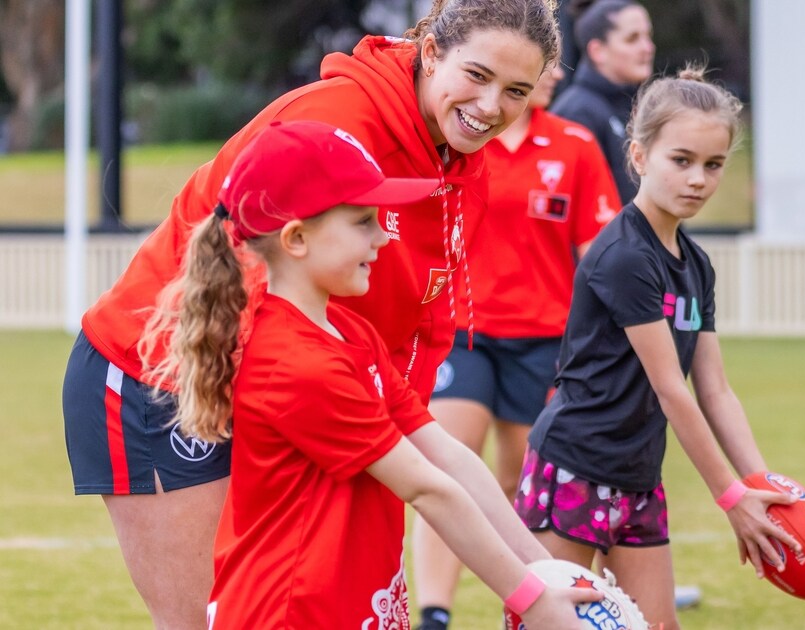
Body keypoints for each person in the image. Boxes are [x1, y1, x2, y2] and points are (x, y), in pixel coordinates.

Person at [61, 1, 564, 627]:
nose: (491, 106)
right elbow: (248, 277)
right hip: (163, 375)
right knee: (215, 617)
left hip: (300, 383)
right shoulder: (334, 126)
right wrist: (532, 592)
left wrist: (541, 574)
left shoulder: (457, 164)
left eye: (516, 90)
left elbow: (414, 332)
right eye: (478, 75)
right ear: (432, 53)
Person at [138, 119, 599, 628]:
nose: (384, 238)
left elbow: (446, 456)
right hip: (292, 616)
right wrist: (533, 600)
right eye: (363, 221)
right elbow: (427, 489)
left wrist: (547, 571)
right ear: (296, 238)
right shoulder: (295, 361)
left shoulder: (349, 330)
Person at [513, 65, 805, 630]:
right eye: (682, 160)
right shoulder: (626, 256)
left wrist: (763, 487)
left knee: (659, 625)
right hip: (574, 466)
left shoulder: (696, 265)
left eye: (713, 165)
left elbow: (715, 390)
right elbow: (672, 390)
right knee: (546, 623)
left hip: (638, 475)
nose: (698, 179)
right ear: (640, 155)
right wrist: (730, 499)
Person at [411, 61, 619, 630]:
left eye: (548, 68)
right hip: (462, 333)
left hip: (546, 338)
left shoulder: (575, 145)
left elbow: (600, 256)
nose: (550, 76)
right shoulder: (459, 137)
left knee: (516, 482)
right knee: (446, 468)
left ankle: (532, 607)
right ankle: (434, 614)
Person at [550, 0, 654, 205]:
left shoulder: (630, 106)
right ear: (597, 51)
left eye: (648, 36)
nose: (647, 48)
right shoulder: (578, 113)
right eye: (632, 39)